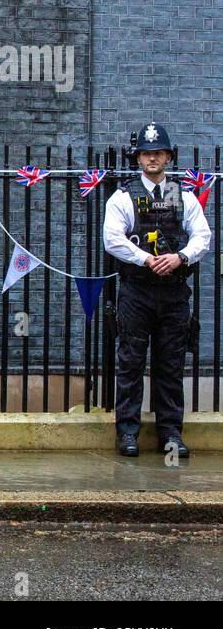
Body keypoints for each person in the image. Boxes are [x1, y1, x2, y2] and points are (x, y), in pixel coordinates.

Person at [102, 123, 211, 458]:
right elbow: (112, 239)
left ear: (167, 157)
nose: (152, 158)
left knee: (170, 365)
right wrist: (147, 260)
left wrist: (180, 257)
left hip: (174, 292)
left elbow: (203, 237)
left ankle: (171, 435)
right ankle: (128, 434)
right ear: (139, 158)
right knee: (131, 362)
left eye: (158, 153)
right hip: (137, 290)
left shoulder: (185, 196)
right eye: (146, 153)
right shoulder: (122, 196)